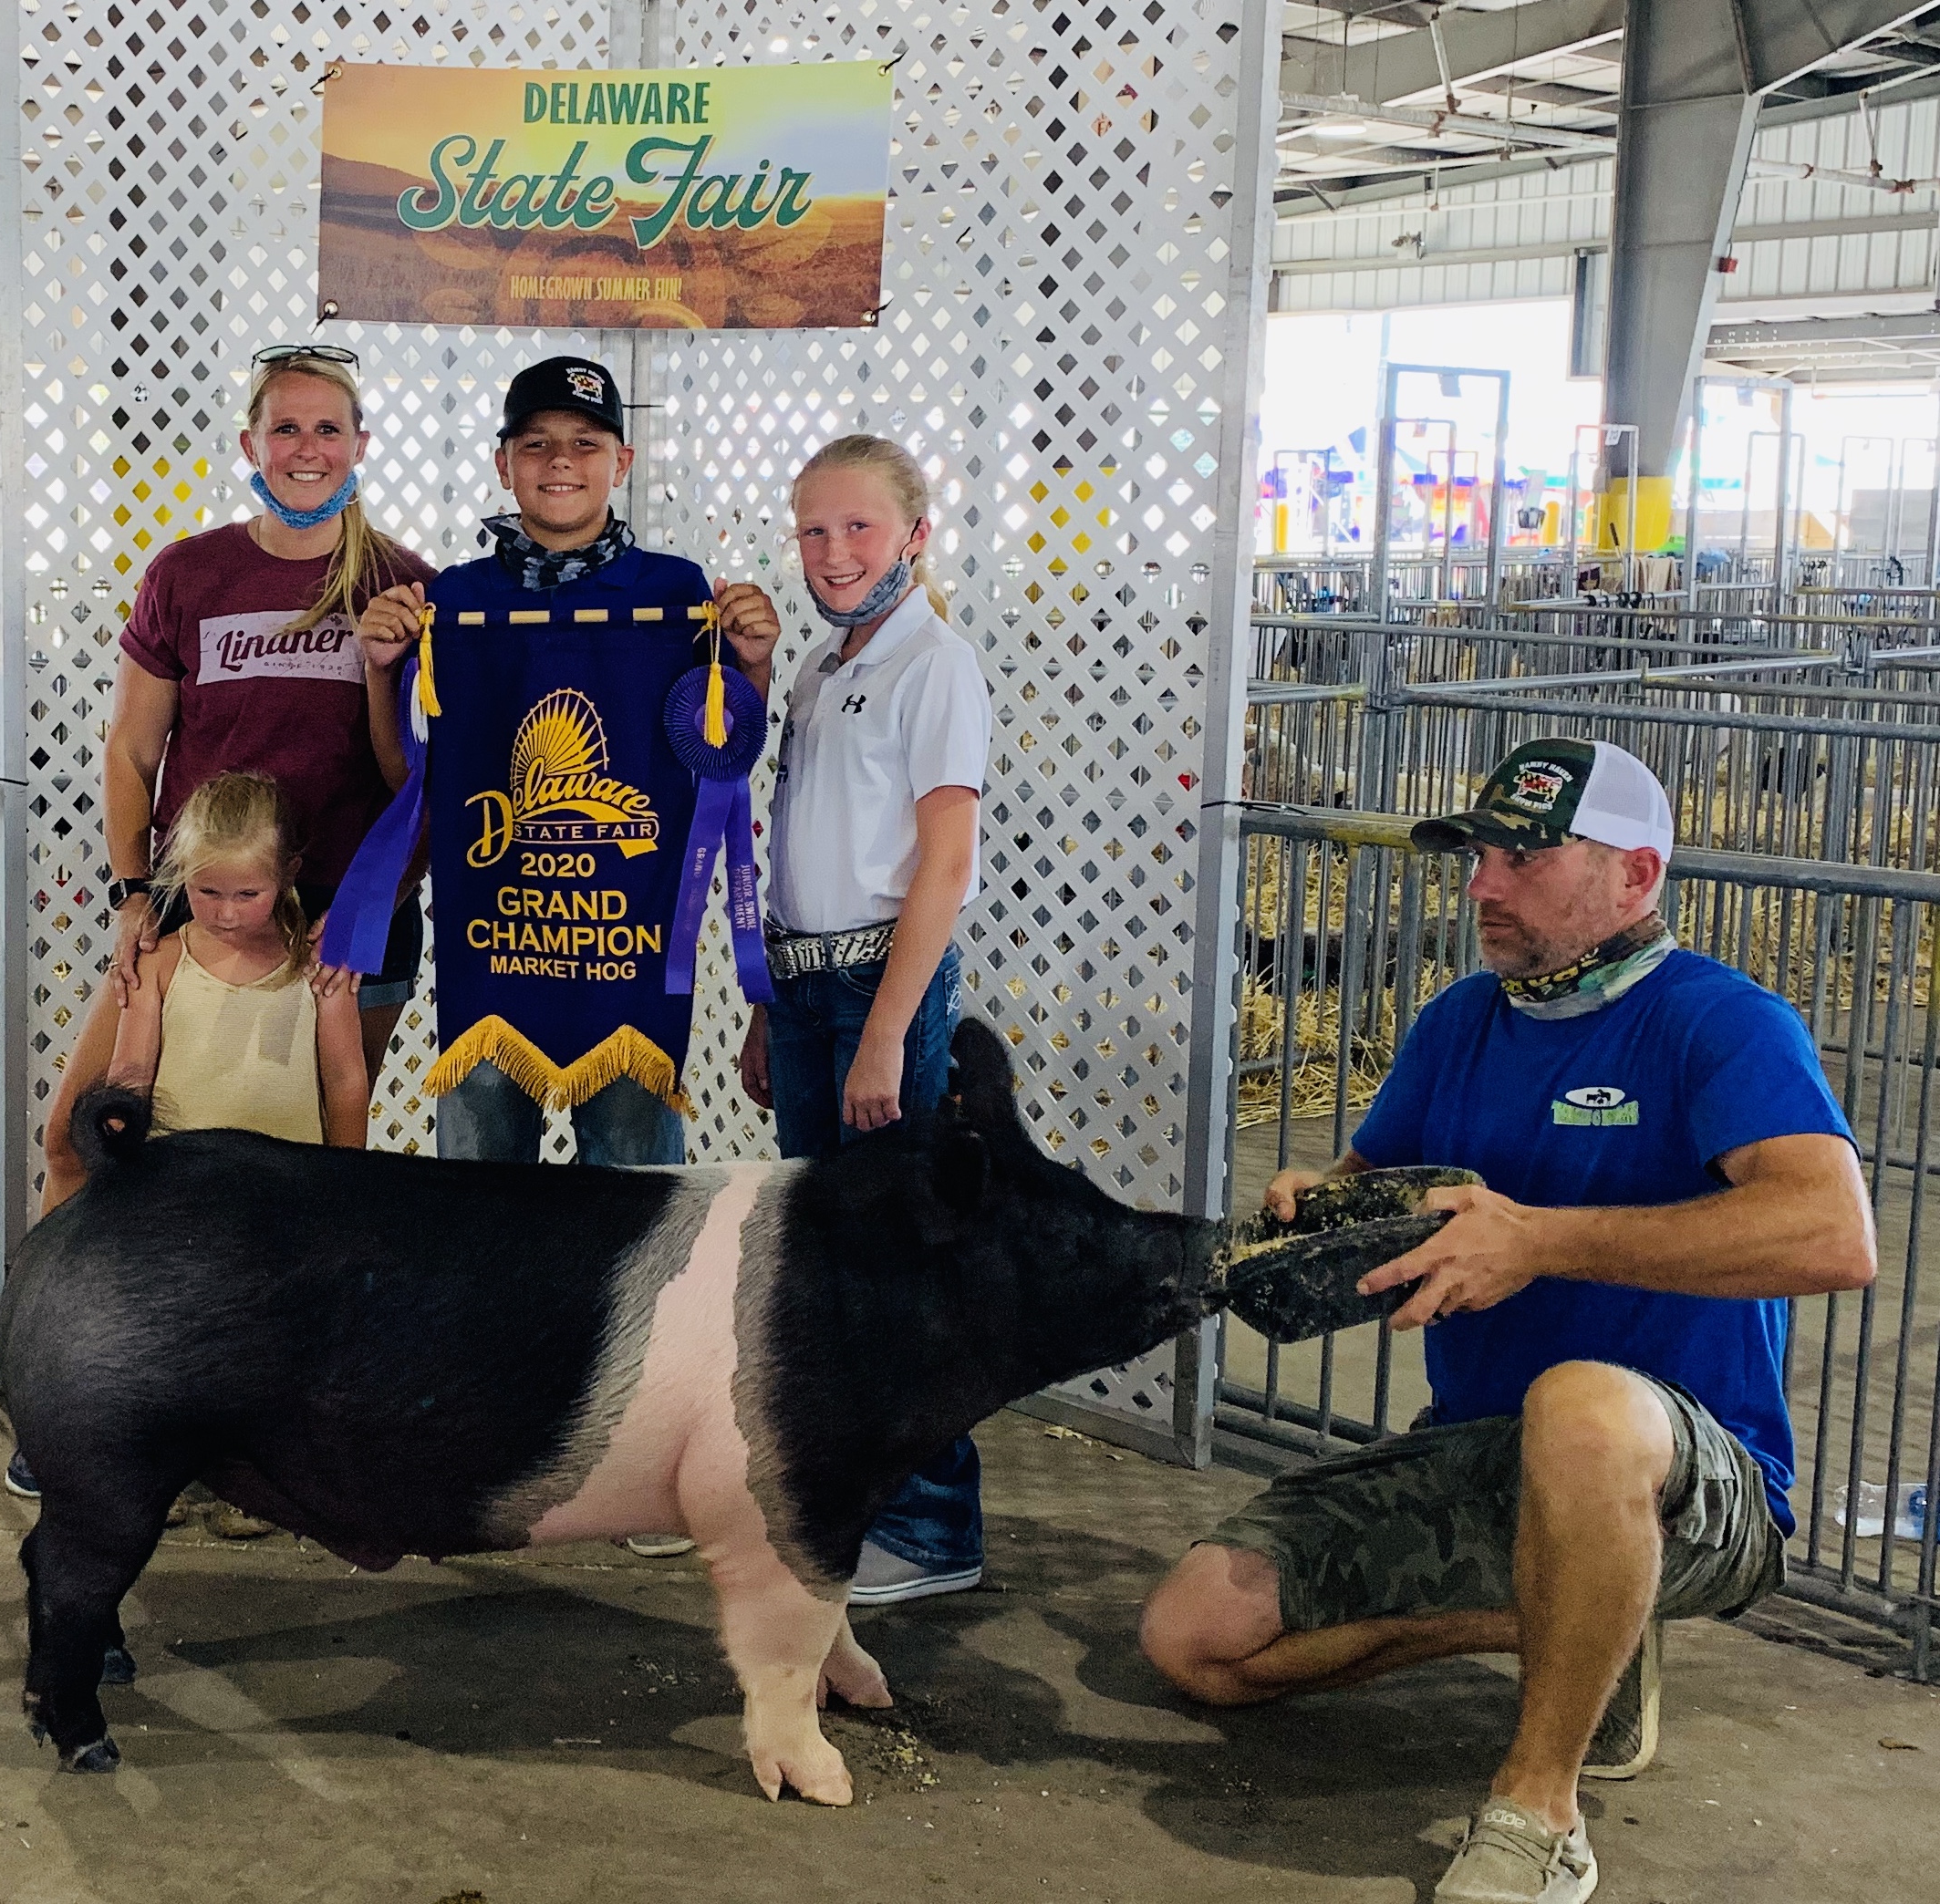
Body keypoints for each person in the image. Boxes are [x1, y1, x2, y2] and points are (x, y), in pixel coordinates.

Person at [1137, 737, 1876, 1904]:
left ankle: (1538, 1808)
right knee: (1192, 1641)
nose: (1481, 884)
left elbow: (1833, 1236)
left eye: (1523, 859)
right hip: (1477, 1446)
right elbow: (1370, 1177)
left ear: (1635, 876)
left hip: (1696, 1478)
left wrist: (1538, 1239)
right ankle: (1583, 1636)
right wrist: (1317, 1216)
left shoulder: (1720, 1023)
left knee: (1577, 1403)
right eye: (1478, 854)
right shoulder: (1457, 1022)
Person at [342, 354, 779, 1169]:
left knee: (632, 1209)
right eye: (536, 443)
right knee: (481, 1219)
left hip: (629, 962)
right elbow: (413, 783)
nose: (560, 462)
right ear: (503, 464)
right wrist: (378, 669)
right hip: (491, 955)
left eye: (584, 442)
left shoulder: (679, 591)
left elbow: (721, 753)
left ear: (622, 462)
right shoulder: (455, 600)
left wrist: (750, 666)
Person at [38, 342, 433, 1210]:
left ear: (359, 445)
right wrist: (134, 890)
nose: (305, 447)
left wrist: (379, 904)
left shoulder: (403, 583)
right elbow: (132, 750)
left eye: (327, 428)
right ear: (251, 445)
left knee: (313, 1160)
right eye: (283, 426)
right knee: (87, 1139)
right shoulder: (188, 574)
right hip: (201, 896)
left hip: (347, 909)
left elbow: (429, 779)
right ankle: (64, 1334)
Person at [736, 433, 991, 1607]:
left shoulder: (933, 664)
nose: (831, 553)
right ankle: (855, 1501)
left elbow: (941, 864)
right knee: (829, 1261)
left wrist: (888, 1030)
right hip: (808, 983)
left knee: (895, 1261)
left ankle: (935, 1530)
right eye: (812, 530)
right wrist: (769, 997)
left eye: (856, 528)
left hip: (877, 984)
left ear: (914, 537)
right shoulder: (828, 665)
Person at [9, 772, 369, 1525]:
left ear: (287, 877)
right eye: (208, 894)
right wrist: (120, 1161)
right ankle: (152, 1473)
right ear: (181, 881)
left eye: (247, 894)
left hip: (278, 1196)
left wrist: (343, 1178)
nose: (227, 912)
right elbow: (132, 1071)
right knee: (165, 1342)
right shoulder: (162, 960)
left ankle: (255, 1483)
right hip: (175, 1190)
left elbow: (345, 1081)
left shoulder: (321, 969)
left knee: (263, 1343)